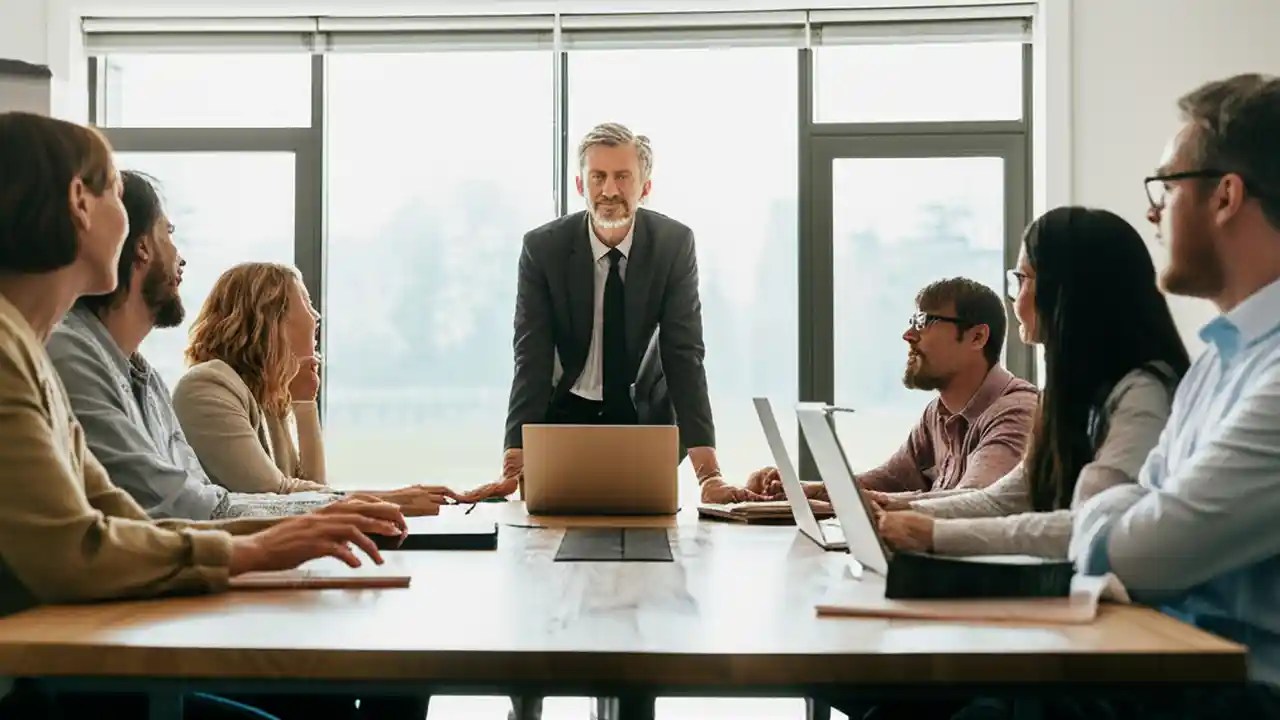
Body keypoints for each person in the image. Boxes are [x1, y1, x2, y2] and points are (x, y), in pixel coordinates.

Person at [0, 112, 405, 719]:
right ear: (79, 203)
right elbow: (77, 552)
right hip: (45, 683)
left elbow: (131, 521)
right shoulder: (15, 354)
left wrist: (288, 534)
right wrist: (259, 548)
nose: (147, 232)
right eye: (114, 189)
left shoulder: (27, 351)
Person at [46, 171, 448, 523]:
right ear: (139, 247)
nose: (180, 257)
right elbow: (193, 508)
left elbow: (208, 499)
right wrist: (362, 505)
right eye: (168, 233)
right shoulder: (78, 354)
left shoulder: (144, 378)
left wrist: (355, 503)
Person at [1068, 73, 1280, 716]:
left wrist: (1107, 510)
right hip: (1175, 668)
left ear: (1225, 196)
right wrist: (1119, 511)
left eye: (1165, 186)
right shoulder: (1219, 358)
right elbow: (1133, 518)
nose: (1153, 212)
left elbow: (1136, 556)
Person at [872, 207, 1188, 559]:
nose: (1014, 298)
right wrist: (892, 511)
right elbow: (1005, 498)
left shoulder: (1143, 394)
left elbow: (1092, 528)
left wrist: (934, 533)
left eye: (1021, 279)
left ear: (1066, 290)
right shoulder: (1070, 396)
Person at [467, 122, 754, 505]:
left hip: (643, 417)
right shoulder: (543, 248)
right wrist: (513, 463)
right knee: (552, 537)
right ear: (580, 185)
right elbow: (530, 356)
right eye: (598, 176)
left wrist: (709, 475)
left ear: (645, 186)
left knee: (649, 537)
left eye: (623, 176)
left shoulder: (673, 244)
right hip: (564, 414)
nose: (609, 190)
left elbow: (684, 354)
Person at [173, 261, 458, 508]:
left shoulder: (265, 396)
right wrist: (391, 501)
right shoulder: (208, 387)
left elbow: (309, 489)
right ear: (271, 319)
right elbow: (276, 496)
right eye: (306, 303)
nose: (315, 316)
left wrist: (304, 402)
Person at [747, 277, 1038, 500]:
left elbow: (974, 502)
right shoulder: (936, 414)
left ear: (977, 337)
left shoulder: (1016, 411)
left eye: (925, 322)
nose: (908, 335)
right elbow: (886, 480)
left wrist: (861, 503)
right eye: (913, 321)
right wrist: (803, 491)